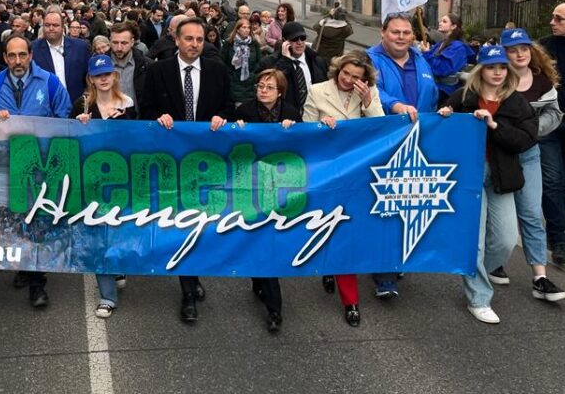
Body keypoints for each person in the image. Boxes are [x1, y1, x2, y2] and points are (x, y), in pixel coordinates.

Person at [138, 17, 234, 323]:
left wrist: (221, 117)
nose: (194, 44)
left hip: (207, 163)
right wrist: (159, 118)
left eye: (200, 39)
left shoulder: (218, 70)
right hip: (173, 161)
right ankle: (188, 292)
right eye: (189, 38)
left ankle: (194, 273)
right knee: (182, 224)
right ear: (176, 40)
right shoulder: (158, 71)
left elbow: (229, 106)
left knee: (203, 223)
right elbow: (146, 109)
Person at [439, 45, 539, 324]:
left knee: (506, 239)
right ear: (480, 70)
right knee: (476, 239)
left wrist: (495, 126)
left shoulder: (516, 102)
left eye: (502, 67)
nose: (497, 72)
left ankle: (473, 269)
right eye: (491, 67)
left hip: (501, 175)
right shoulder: (464, 96)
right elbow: (441, 129)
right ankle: (479, 298)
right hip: (468, 175)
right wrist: (445, 116)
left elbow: (526, 140)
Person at [0, 34, 71, 307]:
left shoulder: (50, 83)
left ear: (30, 55)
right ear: (4, 58)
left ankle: (37, 283)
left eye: (22, 55)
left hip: (40, 168)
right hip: (8, 166)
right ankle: (24, 266)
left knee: (37, 221)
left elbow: (64, 118)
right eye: (12, 56)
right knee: (17, 221)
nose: (18, 61)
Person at [302, 51, 385, 327]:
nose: (348, 80)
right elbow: (305, 131)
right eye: (345, 73)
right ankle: (346, 293)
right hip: (327, 172)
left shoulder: (369, 94)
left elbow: (381, 127)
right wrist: (320, 127)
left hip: (357, 173)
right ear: (338, 70)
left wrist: (368, 102)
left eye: (356, 77)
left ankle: (346, 292)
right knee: (331, 227)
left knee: (347, 231)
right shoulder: (317, 90)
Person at [487, 28, 565, 301]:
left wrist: (531, 131)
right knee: (500, 220)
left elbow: (554, 113)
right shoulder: (496, 79)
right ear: (503, 53)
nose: (520, 54)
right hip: (499, 156)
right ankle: (494, 260)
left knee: (531, 213)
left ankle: (540, 277)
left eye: (524, 48)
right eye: (512, 50)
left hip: (529, 153)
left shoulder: (543, 81)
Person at [365, 12, 438, 298]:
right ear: (383, 33)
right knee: (386, 204)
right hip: (384, 141)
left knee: (408, 204)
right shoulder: (370, 59)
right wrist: (395, 105)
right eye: (395, 32)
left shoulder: (420, 59)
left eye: (406, 32)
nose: (401, 37)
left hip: (418, 140)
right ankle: (383, 273)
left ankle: (397, 257)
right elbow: (372, 90)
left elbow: (432, 93)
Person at [234, 68, 300, 332]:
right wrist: (235, 129)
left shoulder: (291, 113)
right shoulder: (245, 111)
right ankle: (261, 285)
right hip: (251, 187)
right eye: (260, 86)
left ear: (280, 92)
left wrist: (294, 130)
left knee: (268, 243)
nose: (263, 91)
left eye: (269, 87)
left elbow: (303, 147)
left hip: (279, 188)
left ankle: (274, 309)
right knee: (256, 237)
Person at [71, 54, 136, 318]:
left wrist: (124, 121)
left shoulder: (127, 103)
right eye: (98, 75)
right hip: (93, 181)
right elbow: (70, 138)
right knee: (98, 235)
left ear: (114, 76)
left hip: (122, 180)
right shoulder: (83, 104)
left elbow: (139, 139)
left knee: (120, 231)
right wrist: (79, 124)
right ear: (91, 79)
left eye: (107, 74)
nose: (104, 79)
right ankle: (107, 296)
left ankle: (118, 266)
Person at [539, 3, 565, 269]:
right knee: (552, 181)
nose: (553, 22)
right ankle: (558, 240)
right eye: (552, 17)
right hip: (550, 123)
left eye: (559, 18)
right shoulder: (543, 47)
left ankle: (555, 226)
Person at [256, 22, 327, 117]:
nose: (299, 42)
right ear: (284, 41)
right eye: (294, 39)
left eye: (302, 38)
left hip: (312, 116)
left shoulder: (317, 61)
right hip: (286, 118)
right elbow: (269, 87)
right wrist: (285, 61)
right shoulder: (269, 62)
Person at [31, 6, 90, 102]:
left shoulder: (80, 47)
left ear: (63, 27)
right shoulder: (33, 49)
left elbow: (88, 77)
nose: (51, 28)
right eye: (47, 25)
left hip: (75, 104)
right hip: (44, 105)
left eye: (55, 25)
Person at [421, 14, 474, 105]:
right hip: (434, 85)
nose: (440, 23)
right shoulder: (441, 43)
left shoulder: (458, 47)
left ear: (453, 26)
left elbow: (442, 69)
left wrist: (426, 53)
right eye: (441, 21)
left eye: (444, 21)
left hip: (445, 91)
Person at [221, 17, 261, 105]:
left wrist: (253, 75)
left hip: (250, 82)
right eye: (244, 27)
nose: (247, 30)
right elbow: (222, 62)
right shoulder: (229, 43)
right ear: (238, 29)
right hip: (234, 82)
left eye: (248, 27)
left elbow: (259, 61)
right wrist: (230, 76)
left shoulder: (254, 43)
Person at [109, 21, 148, 109]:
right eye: (115, 43)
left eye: (124, 43)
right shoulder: (100, 65)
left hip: (138, 116)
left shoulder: (146, 65)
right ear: (110, 41)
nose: (119, 48)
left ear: (132, 42)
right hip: (107, 115)